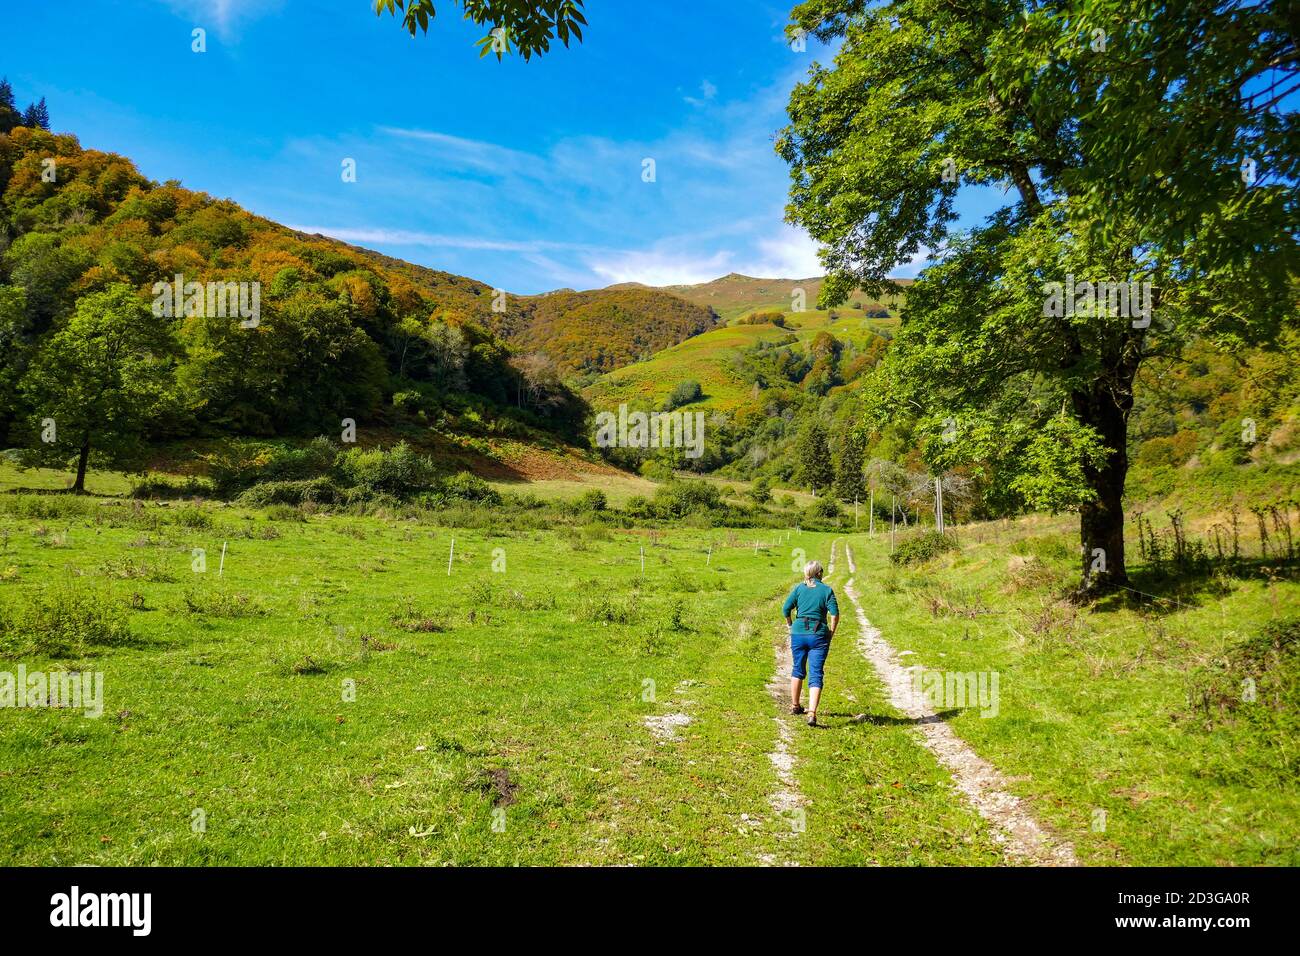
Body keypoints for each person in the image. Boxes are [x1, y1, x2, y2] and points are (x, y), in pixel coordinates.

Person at [781, 559, 839, 727]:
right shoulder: (827, 590)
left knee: (797, 668)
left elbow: (786, 609)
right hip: (818, 635)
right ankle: (812, 713)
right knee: (816, 673)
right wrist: (831, 632)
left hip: (798, 632)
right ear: (819, 573)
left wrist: (790, 624)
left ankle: (795, 705)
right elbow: (834, 614)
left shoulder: (799, 588)